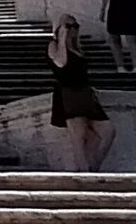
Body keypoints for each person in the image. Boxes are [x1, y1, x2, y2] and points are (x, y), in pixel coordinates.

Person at [48, 13, 116, 171]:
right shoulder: (53, 45)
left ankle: (93, 167)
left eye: (75, 26)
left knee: (108, 130)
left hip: (85, 93)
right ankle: (85, 172)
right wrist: (63, 39)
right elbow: (60, 63)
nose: (73, 30)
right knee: (79, 137)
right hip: (68, 93)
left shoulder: (78, 48)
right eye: (69, 26)